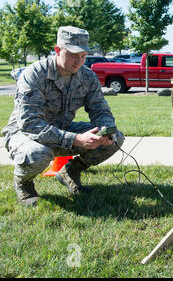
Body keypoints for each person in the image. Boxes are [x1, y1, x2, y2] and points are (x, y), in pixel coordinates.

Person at [2, 26, 125, 207]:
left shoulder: (87, 77)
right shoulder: (34, 74)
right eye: (74, 55)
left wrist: (106, 129)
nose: (79, 61)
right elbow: (30, 123)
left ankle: (70, 172)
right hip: (24, 133)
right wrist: (76, 139)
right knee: (37, 153)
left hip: (61, 128)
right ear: (57, 50)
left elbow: (100, 110)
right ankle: (23, 183)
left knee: (116, 138)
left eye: (83, 55)